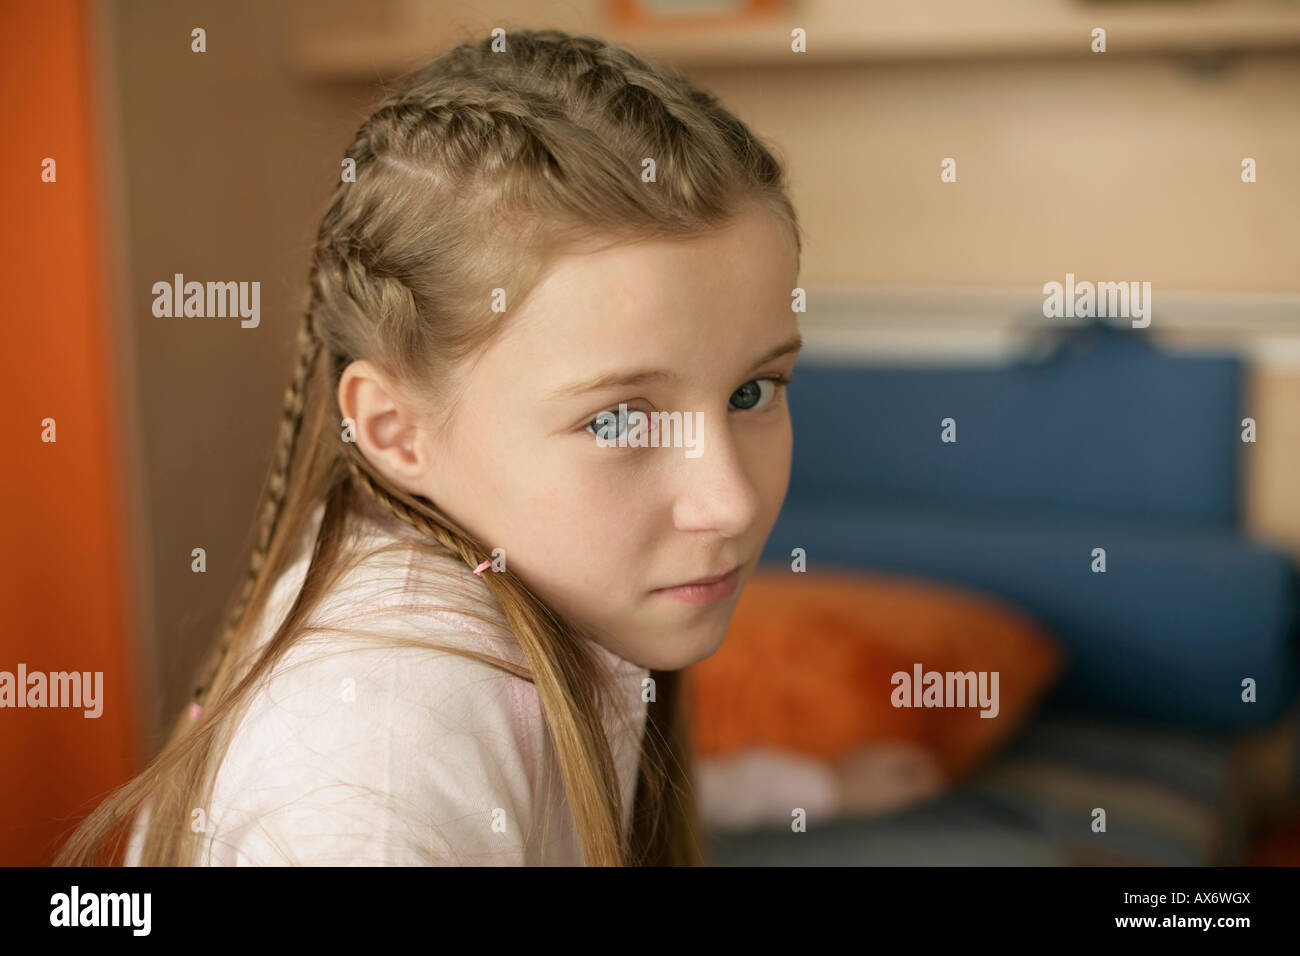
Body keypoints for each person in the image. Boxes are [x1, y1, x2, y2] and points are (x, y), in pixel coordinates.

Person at [54, 27, 806, 866]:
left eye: (752, 392)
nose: (731, 500)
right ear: (395, 431)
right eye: (620, 421)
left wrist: (808, 790)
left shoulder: (536, 587)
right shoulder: (383, 737)